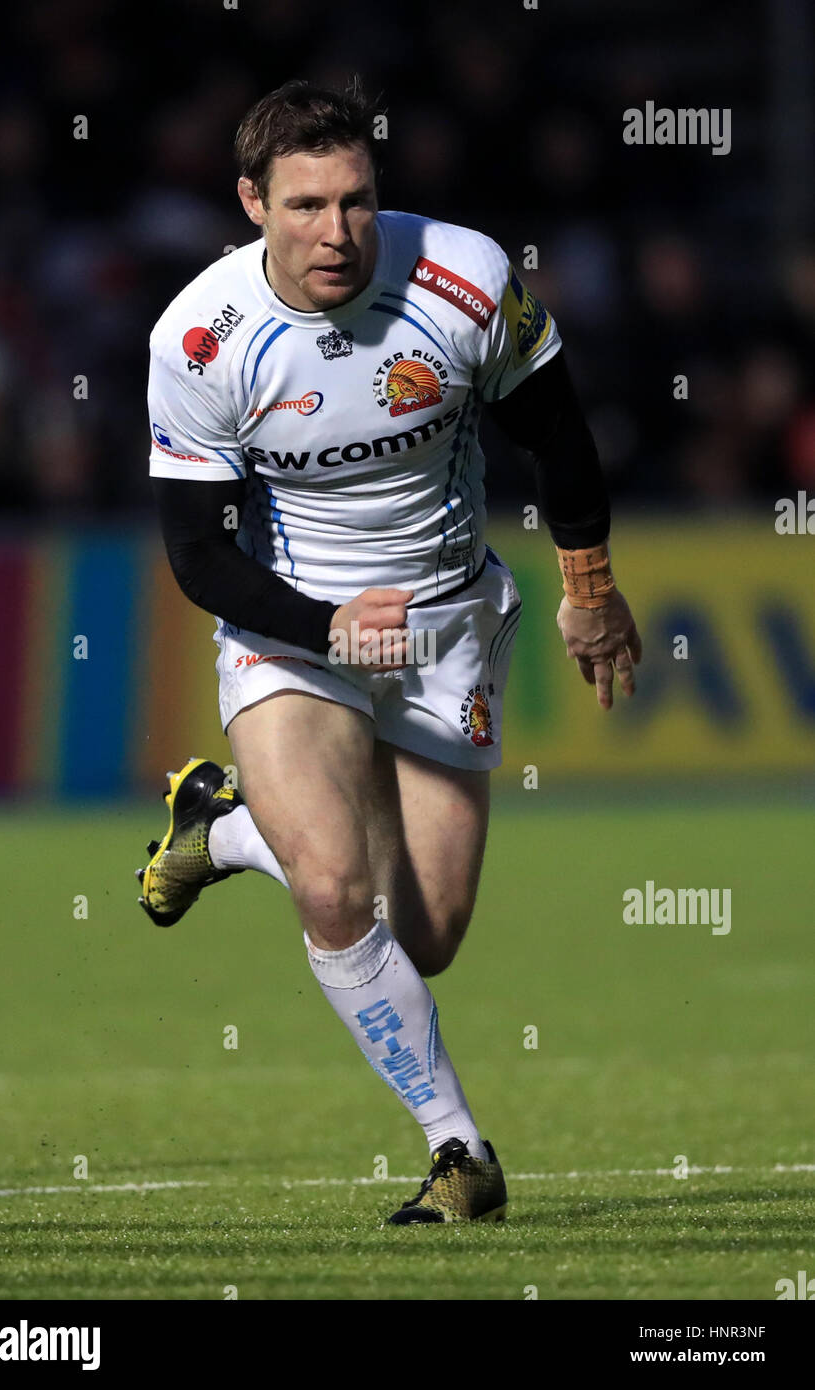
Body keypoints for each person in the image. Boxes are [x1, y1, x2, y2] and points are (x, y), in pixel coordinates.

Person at [137, 78, 642, 1225]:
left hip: (447, 630)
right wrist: (321, 627)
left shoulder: (462, 279)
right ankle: (456, 1148)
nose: (336, 232)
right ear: (250, 202)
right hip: (292, 637)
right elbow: (196, 554)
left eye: (356, 202)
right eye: (306, 205)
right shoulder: (200, 337)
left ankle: (219, 831)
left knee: (425, 935)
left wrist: (589, 591)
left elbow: (555, 435)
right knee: (333, 888)